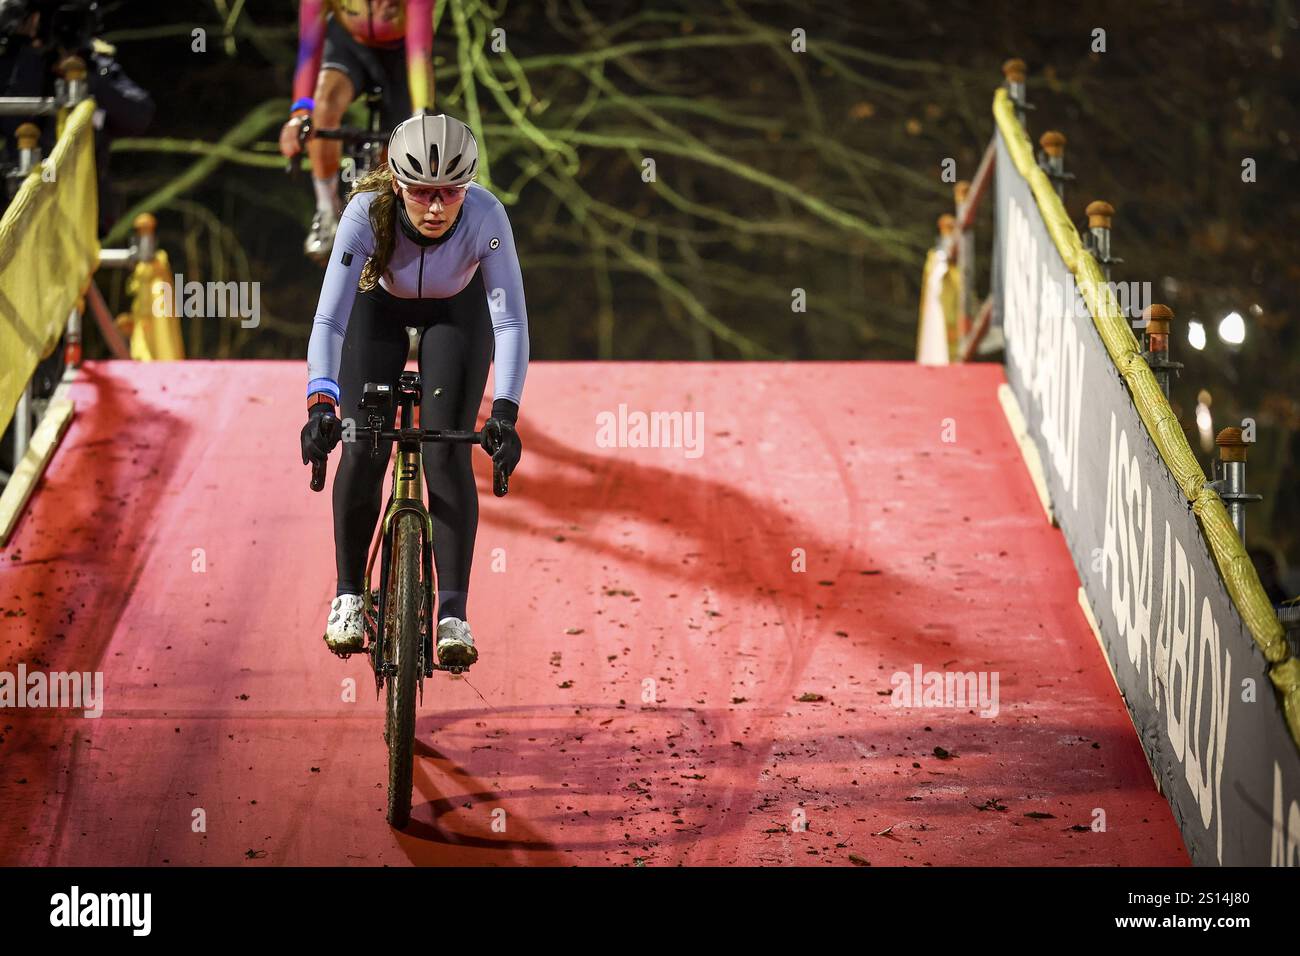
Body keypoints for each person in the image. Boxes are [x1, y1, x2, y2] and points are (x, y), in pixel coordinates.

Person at [299, 113, 528, 666]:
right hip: (379, 307)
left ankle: (453, 613)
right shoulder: (365, 213)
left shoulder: (487, 215)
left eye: (450, 193)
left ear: (466, 188)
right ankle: (349, 594)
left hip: (457, 311)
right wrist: (321, 402)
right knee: (363, 447)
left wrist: (505, 411)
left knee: (446, 455)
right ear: (397, 184)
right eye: (422, 192)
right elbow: (330, 320)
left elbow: (510, 324)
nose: (434, 207)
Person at [278, 0, 435, 260]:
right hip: (347, 46)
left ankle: (392, 217)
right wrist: (300, 115)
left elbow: (420, 51)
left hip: (402, 52)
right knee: (323, 109)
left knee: (403, 138)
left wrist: (421, 114)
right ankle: (327, 209)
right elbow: (309, 50)